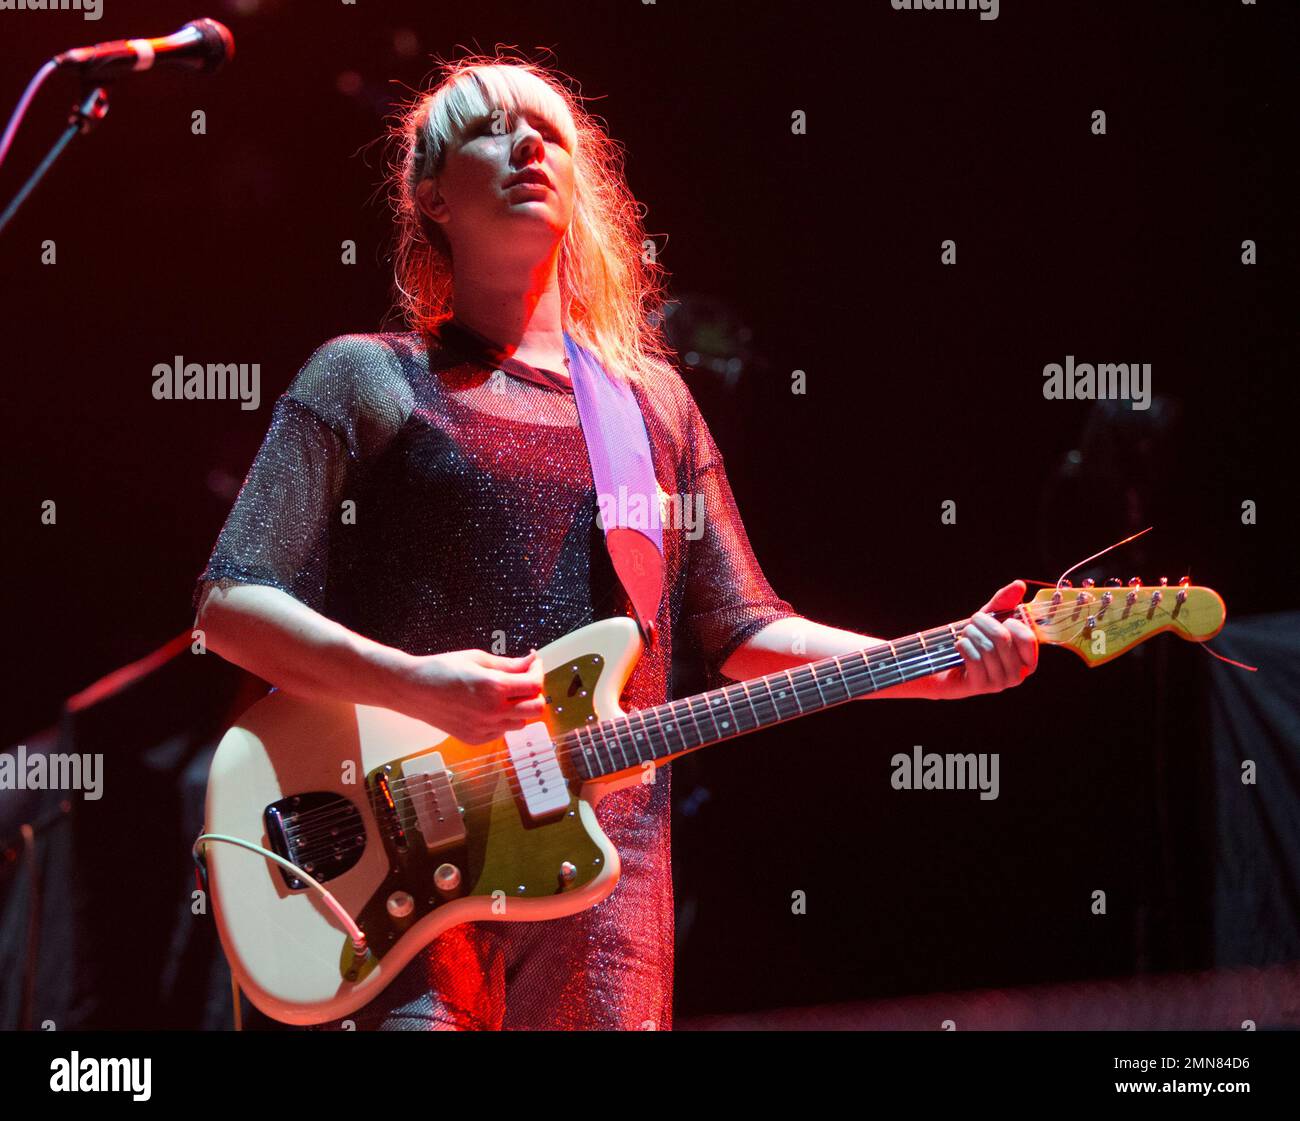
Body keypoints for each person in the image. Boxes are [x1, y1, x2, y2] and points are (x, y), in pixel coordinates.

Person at [192, 55, 1037, 1031]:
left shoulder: (648, 406)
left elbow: (744, 627)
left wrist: (932, 663)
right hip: (397, 866)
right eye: (489, 129)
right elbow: (230, 600)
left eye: (549, 132)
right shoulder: (365, 379)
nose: (526, 146)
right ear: (429, 191)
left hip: (605, 877)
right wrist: (415, 685)